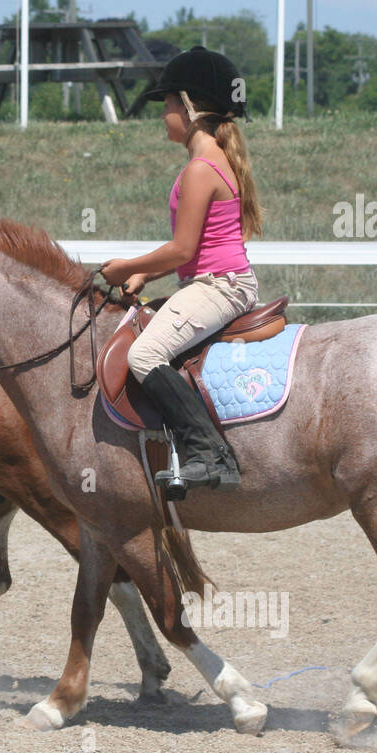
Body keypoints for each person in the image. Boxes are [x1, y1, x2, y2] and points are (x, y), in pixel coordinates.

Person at [100, 46, 263, 491]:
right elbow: (189, 250)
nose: (164, 115)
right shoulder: (212, 161)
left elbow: (181, 247)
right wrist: (145, 275)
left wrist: (126, 268)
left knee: (144, 355)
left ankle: (211, 456)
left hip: (220, 287)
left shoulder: (199, 169)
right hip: (212, 281)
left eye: (169, 105)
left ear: (190, 108)